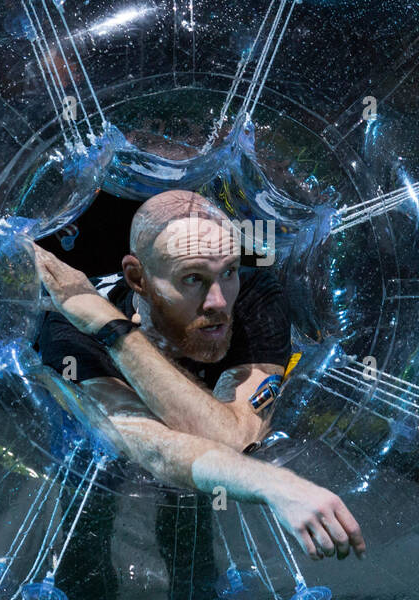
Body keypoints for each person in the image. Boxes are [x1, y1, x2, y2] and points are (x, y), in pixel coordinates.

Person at [35, 190, 366, 562]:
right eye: (192, 279)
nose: (219, 303)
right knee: (90, 503)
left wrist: (279, 484)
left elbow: (236, 439)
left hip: (193, 424)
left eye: (228, 272)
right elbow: (155, 448)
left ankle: (199, 595)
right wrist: (111, 330)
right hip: (90, 429)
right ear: (137, 278)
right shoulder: (72, 329)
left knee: (192, 534)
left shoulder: (254, 295)